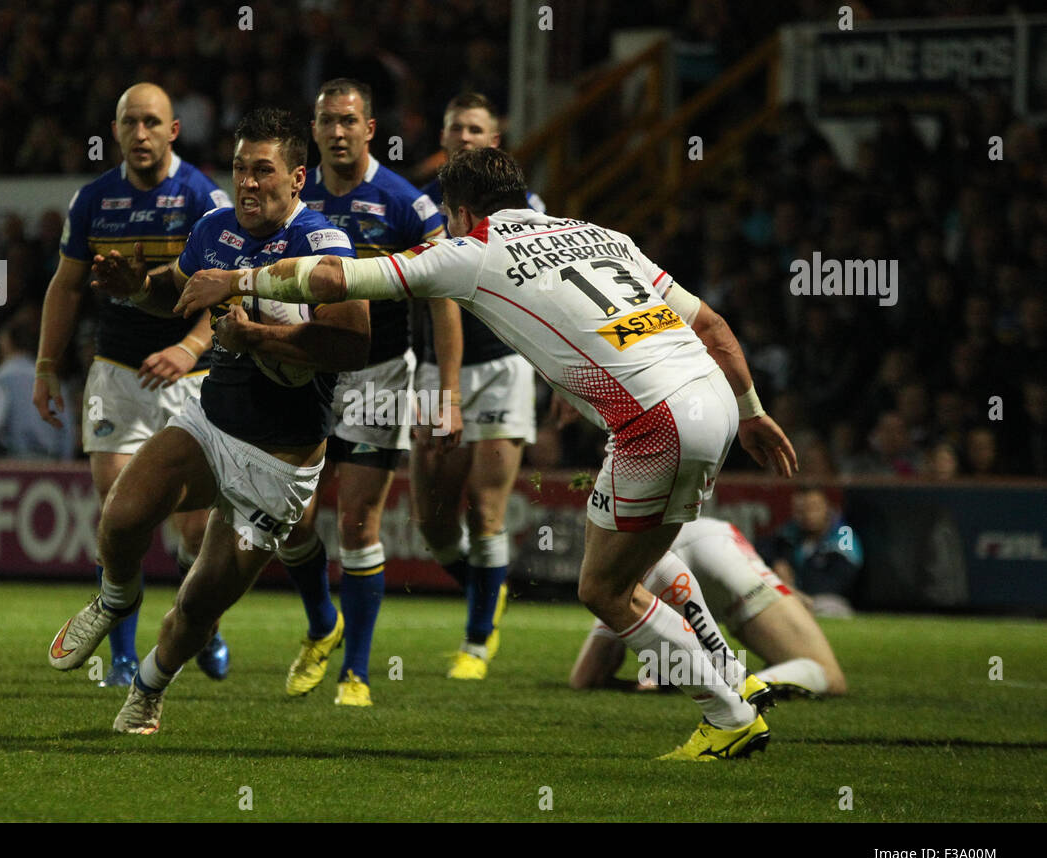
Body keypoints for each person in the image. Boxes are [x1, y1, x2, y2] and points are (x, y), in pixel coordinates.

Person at [179, 147, 799, 760]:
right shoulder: (601, 233)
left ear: (460, 211)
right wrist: (752, 413)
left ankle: (727, 715)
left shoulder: (470, 251)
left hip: (654, 421)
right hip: (712, 398)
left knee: (606, 590)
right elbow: (712, 325)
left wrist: (235, 279)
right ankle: (733, 680)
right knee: (641, 561)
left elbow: (337, 278)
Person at [47, 108, 367, 735]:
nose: (248, 183)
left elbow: (351, 346)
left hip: (280, 463)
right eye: (241, 168)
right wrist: (136, 285)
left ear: (298, 178)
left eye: (263, 171)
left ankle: (148, 687)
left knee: (198, 603)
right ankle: (115, 598)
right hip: (211, 423)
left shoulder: (324, 245)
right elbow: (179, 290)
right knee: (122, 515)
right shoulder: (217, 226)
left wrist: (258, 340)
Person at [34, 83, 234, 686]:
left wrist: (189, 345)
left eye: (152, 122)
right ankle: (122, 657)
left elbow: (226, 287)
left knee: (195, 529)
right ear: (116, 130)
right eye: (130, 123)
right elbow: (66, 286)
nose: (140, 133)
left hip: (193, 375)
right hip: (116, 374)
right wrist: (47, 364)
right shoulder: (94, 199)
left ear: (174, 130)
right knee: (119, 514)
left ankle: (201, 622)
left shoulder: (204, 196)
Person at [276, 78, 450, 707]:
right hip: (308, 370)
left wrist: (446, 387)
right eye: (327, 121)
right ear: (314, 130)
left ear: (370, 128)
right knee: (289, 519)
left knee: (357, 521)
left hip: (380, 374)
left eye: (350, 121)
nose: (339, 131)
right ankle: (324, 620)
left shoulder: (403, 203)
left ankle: (356, 672)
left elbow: (444, 296)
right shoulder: (294, 199)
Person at [413, 93, 546, 679]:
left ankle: (475, 641)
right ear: (442, 137)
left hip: (501, 365)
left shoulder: (527, 209)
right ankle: (486, 593)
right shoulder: (419, 204)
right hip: (429, 367)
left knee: (485, 509)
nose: (465, 136)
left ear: (494, 142)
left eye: (476, 129)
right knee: (433, 522)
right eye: (455, 127)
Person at [569, 516, 848, 698]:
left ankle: (721, 687)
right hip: (709, 540)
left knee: (588, 676)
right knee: (827, 674)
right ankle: (743, 688)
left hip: (646, 557)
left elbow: (584, 679)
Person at [0, 311, 76, 459]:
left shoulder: (1, 377)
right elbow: (67, 431)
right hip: (52, 465)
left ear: (7, 343)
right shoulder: (52, 379)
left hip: (16, 465)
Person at [765, 487, 863, 618]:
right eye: (801, 510)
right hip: (791, 599)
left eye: (813, 508)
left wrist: (793, 585)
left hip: (827, 601)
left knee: (828, 607)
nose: (808, 515)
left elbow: (841, 582)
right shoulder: (790, 531)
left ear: (827, 508)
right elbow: (763, 549)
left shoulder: (843, 534)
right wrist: (776, 564)